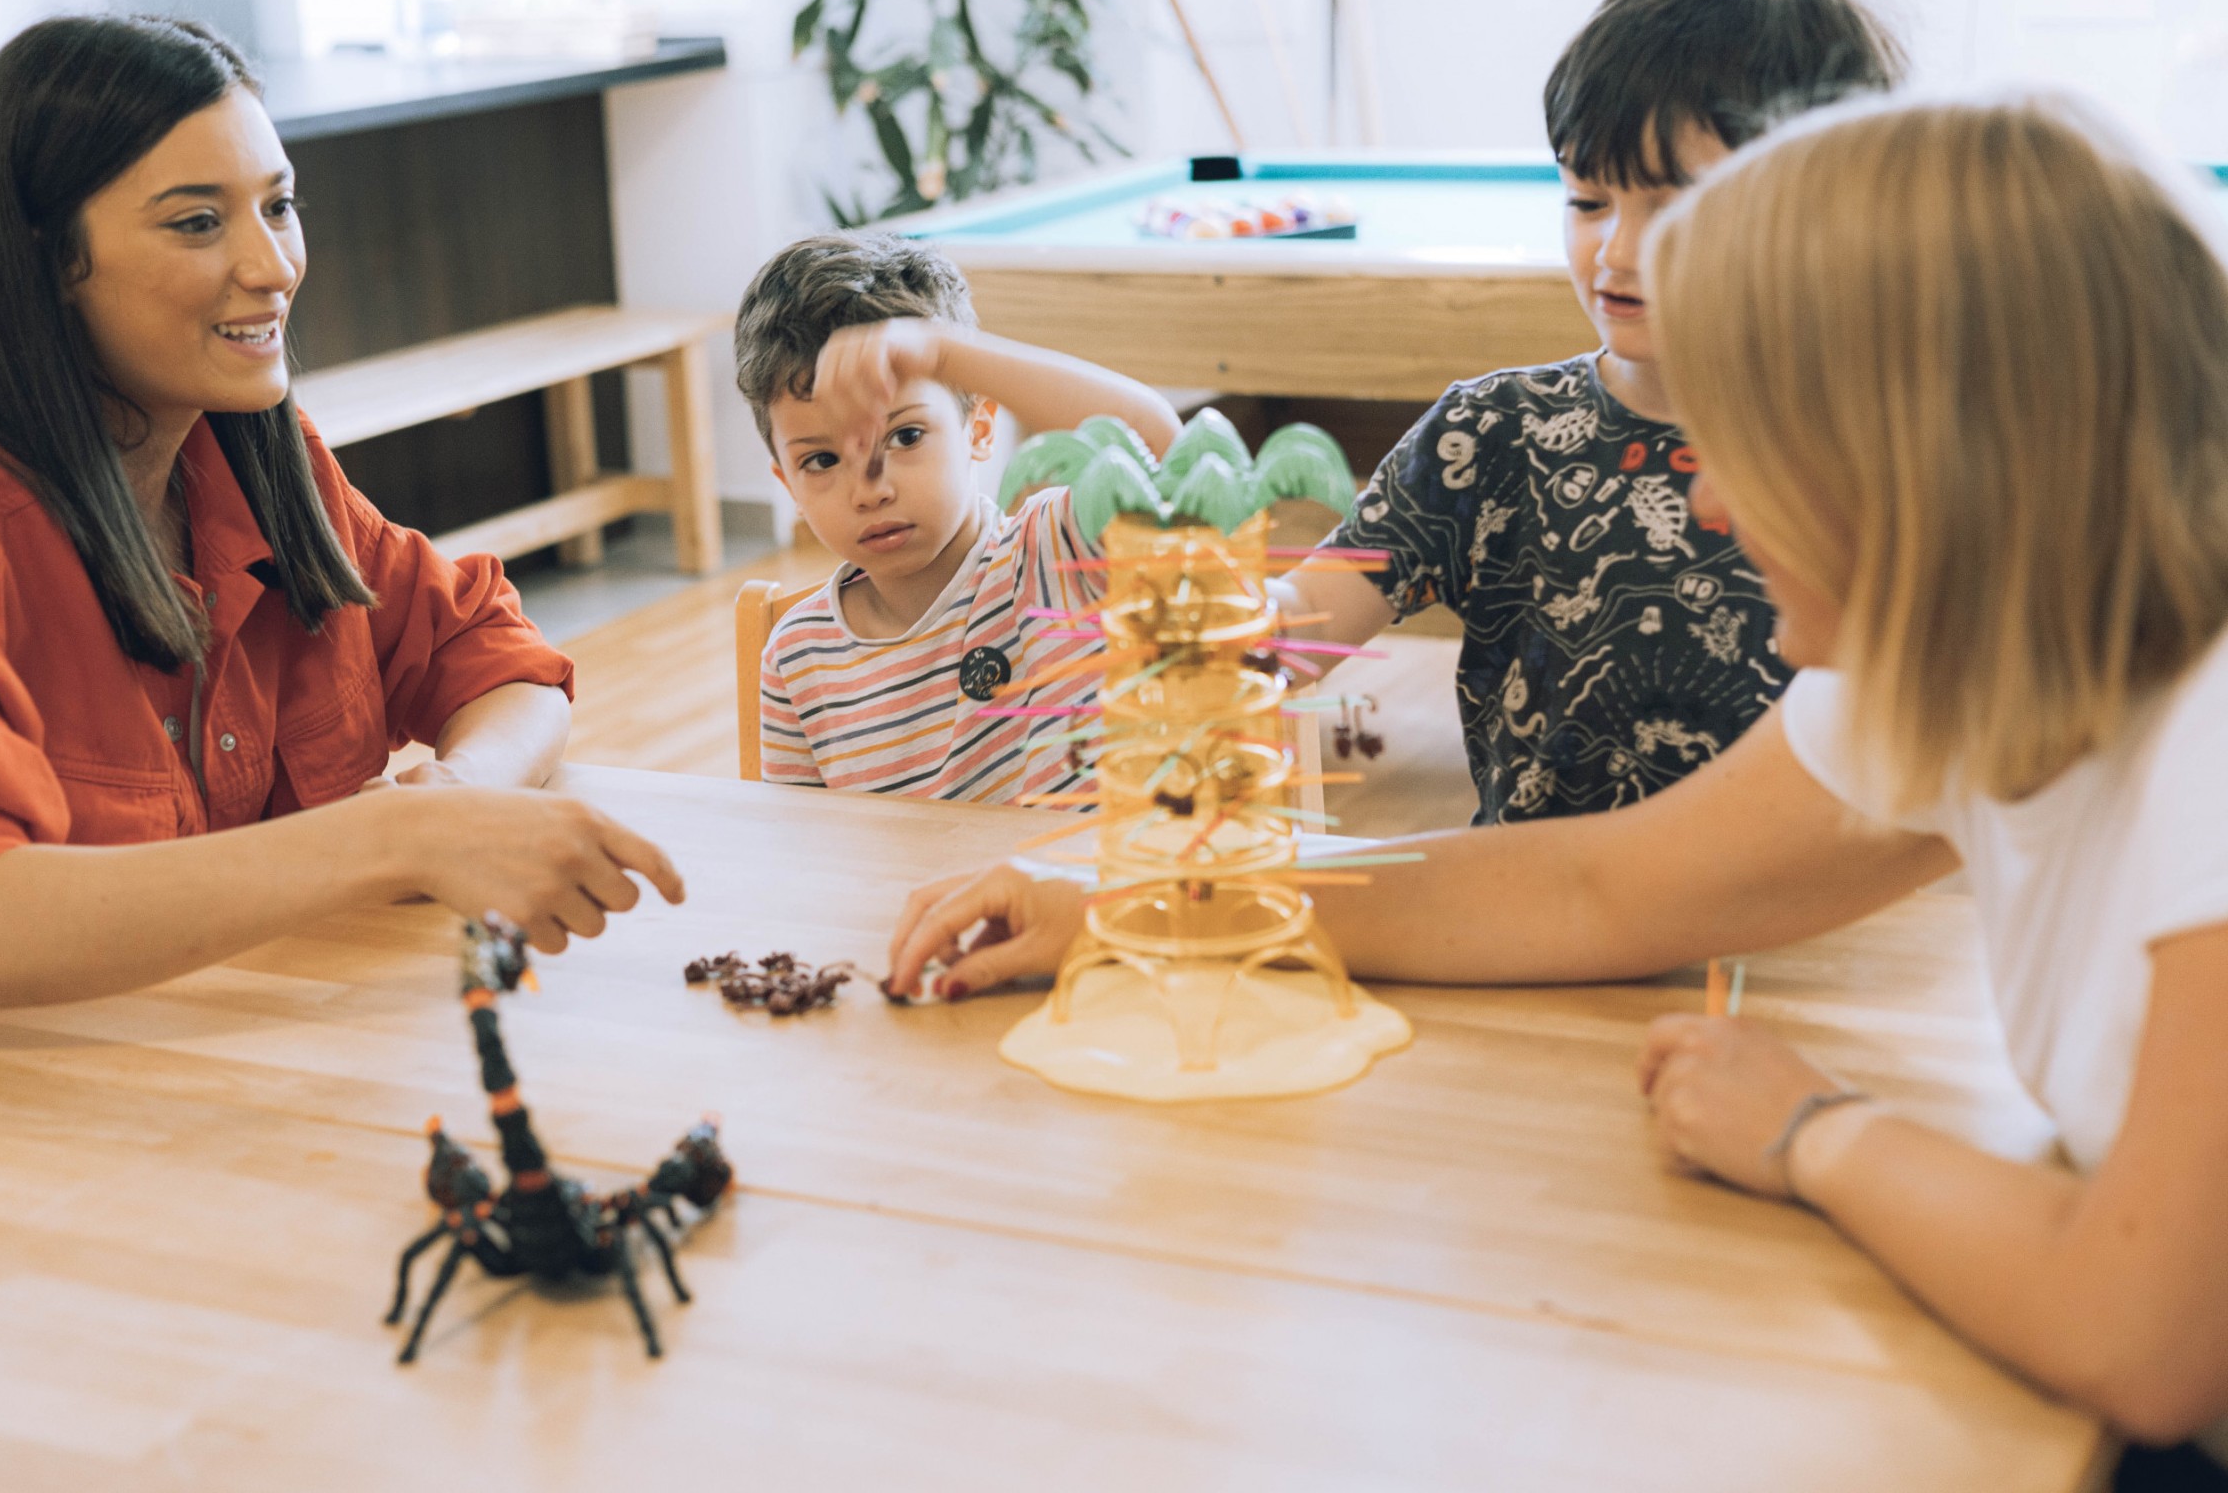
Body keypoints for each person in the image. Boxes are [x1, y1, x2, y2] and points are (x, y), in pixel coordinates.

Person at [887, 93, 2228, 1466]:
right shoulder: (1962, 664)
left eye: (1753, 435)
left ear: (1928, 461)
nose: (1704, 504)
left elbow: (2142, 1333)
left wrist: (1815, 1133)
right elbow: (1595, 883)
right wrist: (1147, 902)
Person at [0, 16, 682, 1011]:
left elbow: (501, 660)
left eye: (280, 205)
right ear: (51, 264)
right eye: (198, 221)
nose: (273, 265)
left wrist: (458, 800)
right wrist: (390, 839)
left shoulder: (255, 463)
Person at [1271, 0, 1900, 822]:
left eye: (1674, 211)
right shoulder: (1490, 434)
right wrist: (1206, 623)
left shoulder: (1884, 454)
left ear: (1819, 215)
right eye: (1586, 200)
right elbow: (1307, 613)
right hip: (1529, 921)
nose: (1616, 252)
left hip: (1787, 930)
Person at [735, 232, 1180, 801]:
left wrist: (947, 356)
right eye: (821, 460)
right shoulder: (797, 657)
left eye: (906, 435)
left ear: (980, 428)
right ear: (787, 485)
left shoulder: (1053, 551)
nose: (869, 491)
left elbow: (1159, 448)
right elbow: (802, 853)